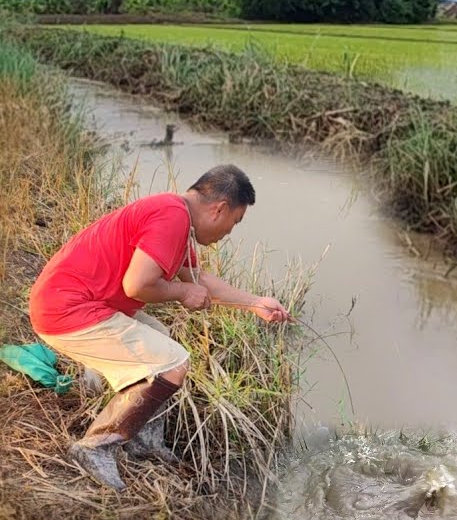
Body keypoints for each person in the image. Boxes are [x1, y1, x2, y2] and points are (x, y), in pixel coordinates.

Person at [27, 164, 290, 491]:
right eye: (233, 223)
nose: (228, 233)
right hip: (67, 311)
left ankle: (143, 439)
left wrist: (255, 303)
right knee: (172, 362)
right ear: (219, 209)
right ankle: (95, 446)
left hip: (75, 305)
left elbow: (199, 279)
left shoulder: (175, 215)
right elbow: (138, 285)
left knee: (160, 340)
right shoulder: (171, 217)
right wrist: (182, 293)